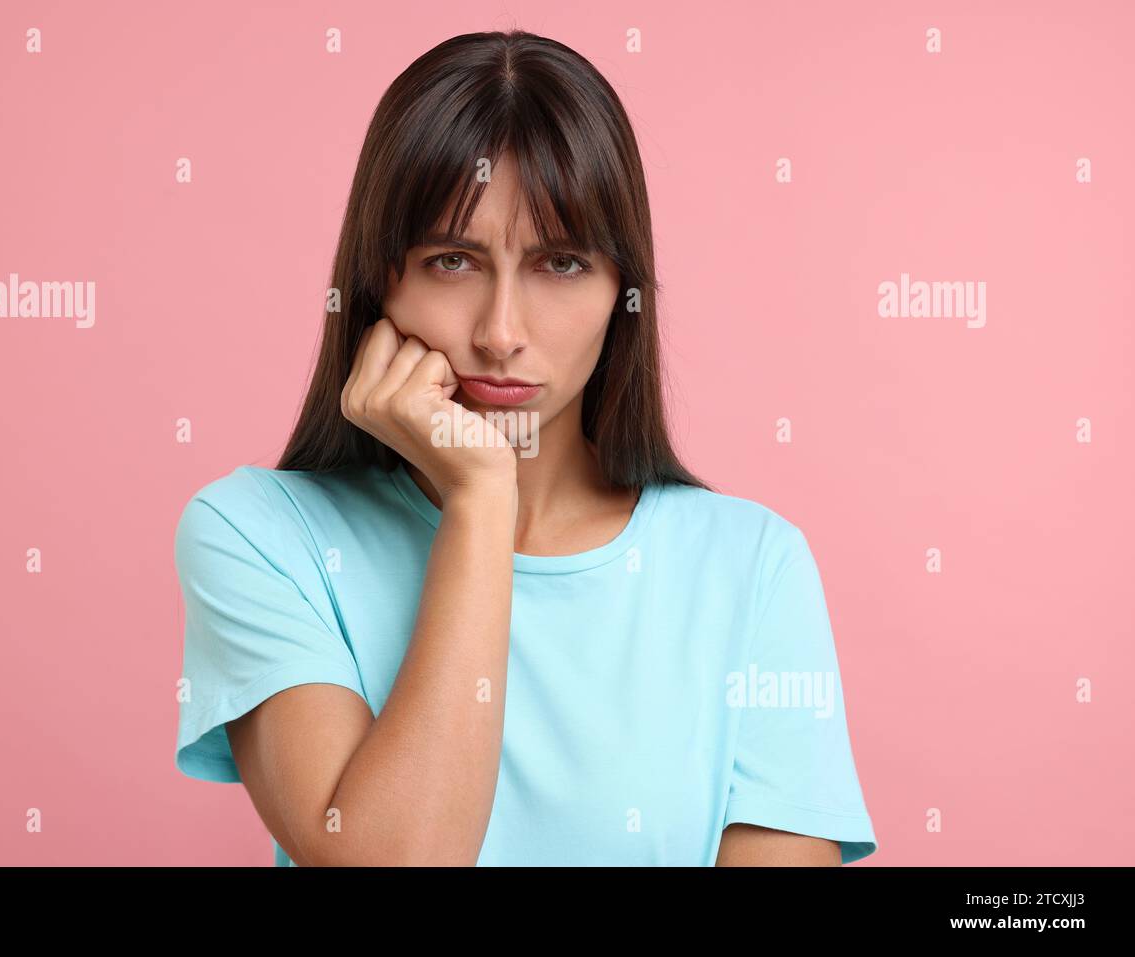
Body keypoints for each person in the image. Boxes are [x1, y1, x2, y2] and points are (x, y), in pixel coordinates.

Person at [172, 29, 878, 866]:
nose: (501, 333)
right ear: (377, 281)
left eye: (562, 263)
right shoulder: (261, 535)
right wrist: (480, 499)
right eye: (452, 260)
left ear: (625, 291)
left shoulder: (753, 566)